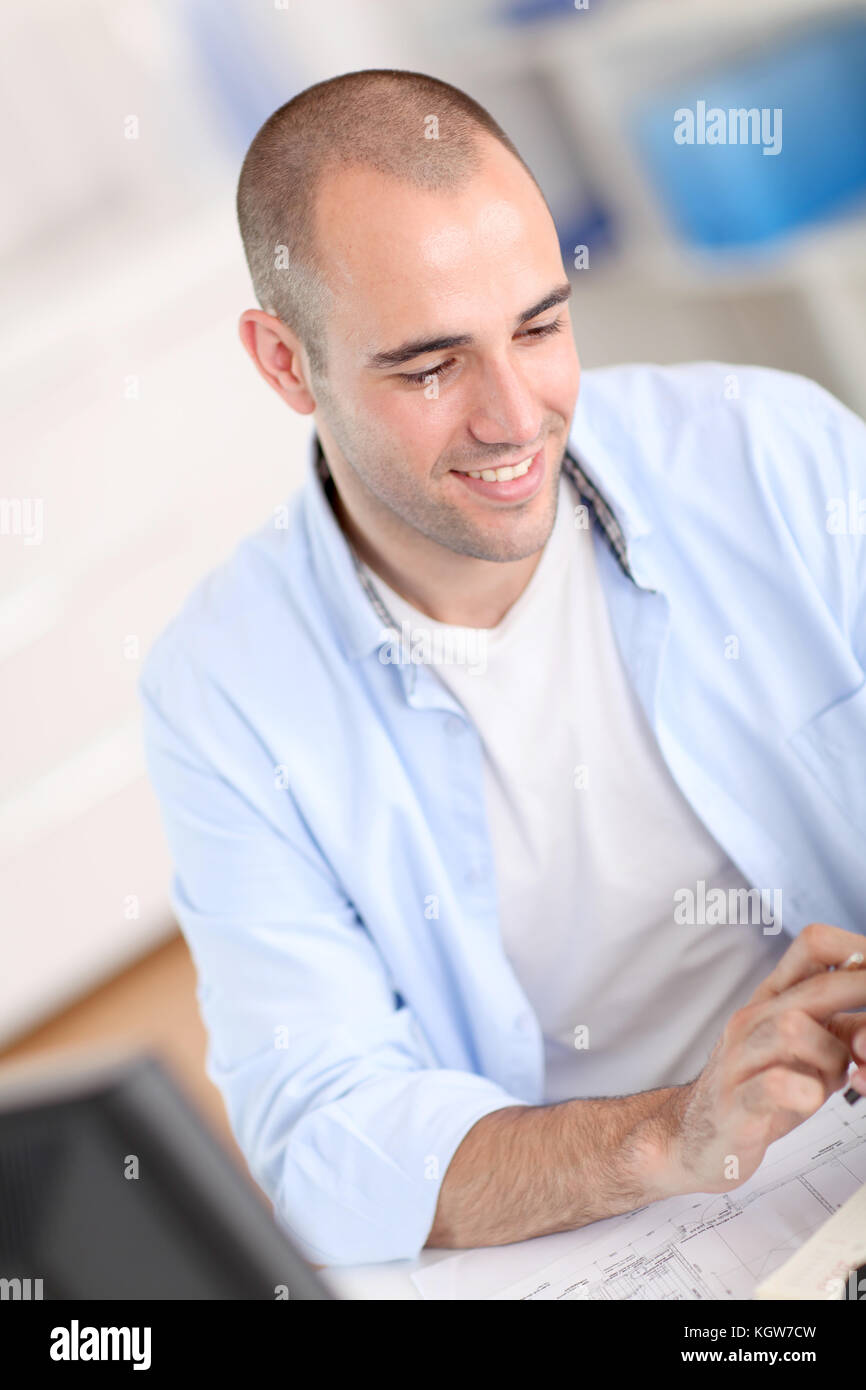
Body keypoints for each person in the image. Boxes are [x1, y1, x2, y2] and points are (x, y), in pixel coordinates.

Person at [138, 70, 866, 1268]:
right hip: (578, 1225)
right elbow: (322, 1138)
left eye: (538, 325)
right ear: (285, 364)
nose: (515, 416)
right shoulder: (225, 691)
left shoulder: (771, 452)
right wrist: (669, 1135)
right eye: (430, 368)